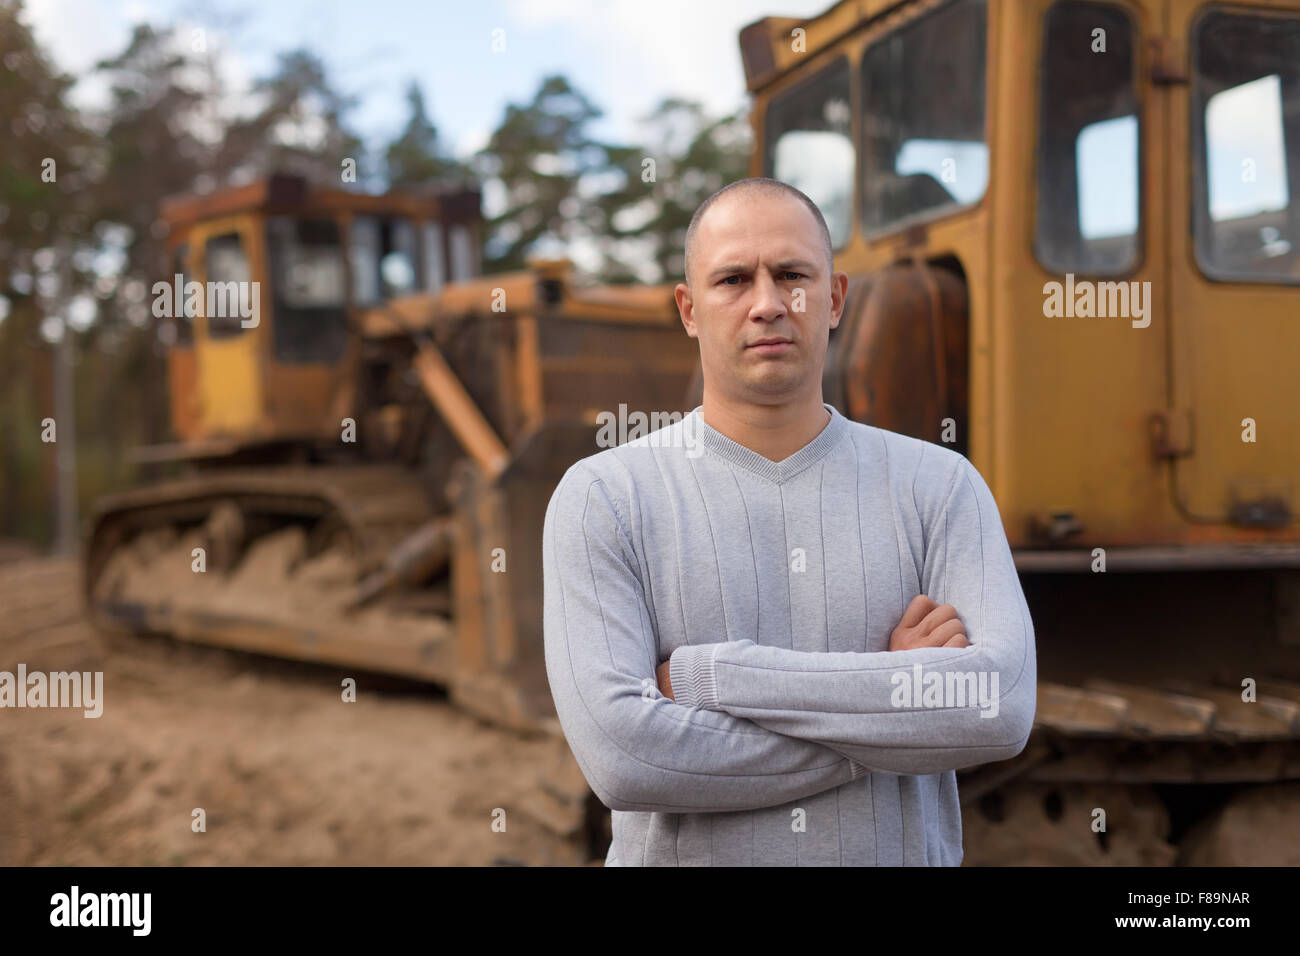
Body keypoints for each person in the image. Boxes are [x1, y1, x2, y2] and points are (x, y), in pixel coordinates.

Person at [542, 177, 1036, 866]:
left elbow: (1000, 707)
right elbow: (625, 759)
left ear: (833, 299)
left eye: (793, 275)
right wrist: (891, 706)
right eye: (734, 279)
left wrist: (711, 678)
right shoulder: (605, 497)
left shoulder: (942, 486)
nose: (768, 304)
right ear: (689, 309)